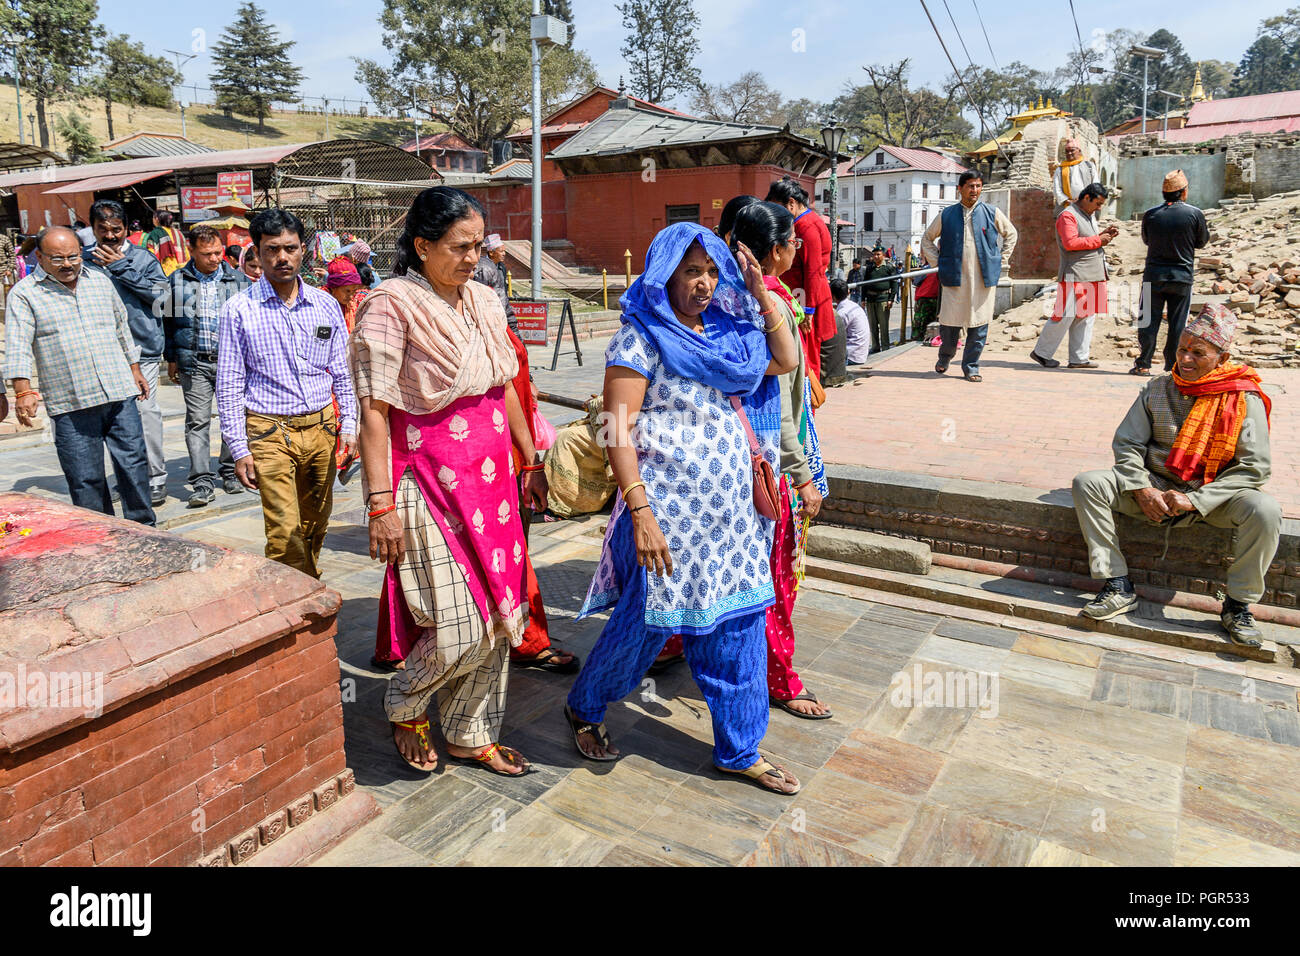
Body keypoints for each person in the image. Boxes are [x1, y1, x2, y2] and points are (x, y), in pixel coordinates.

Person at [563, 221, 804, 795]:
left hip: (732, 519)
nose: (702, 283)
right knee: (648, 625)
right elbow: (617, 429)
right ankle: (586, 706)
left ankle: (739, 748)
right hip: (668, 516)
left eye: (710, 271)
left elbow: (786, 358)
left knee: (741, 623)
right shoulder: (639, 337)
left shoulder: (728, 333)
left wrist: (759, 291)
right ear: (665, 274)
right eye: (691, 271)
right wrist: (640, 512)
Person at [350, 186, 541, 776]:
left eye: (478, 246)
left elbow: (502, 384)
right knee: (459, 624)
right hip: (427, 480)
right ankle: (406, 701)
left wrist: (530, 460)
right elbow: (374, 411)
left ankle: (468, 732)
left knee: (501, 616)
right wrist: (379, 504)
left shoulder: (483, 299)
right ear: (422, 244)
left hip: (491, 483)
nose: (472, 258)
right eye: (459, 247)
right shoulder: (390, 304)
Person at [1072, 305, 1277, 648]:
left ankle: (1238, 605)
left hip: (1212, 499)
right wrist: (1141, 488)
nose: (1185, 358)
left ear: (1221, 356)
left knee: (1265, 509)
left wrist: (1195, 500)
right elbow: (1127, 444)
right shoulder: (1157, 388)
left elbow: (1255, 467)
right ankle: (1117, 584)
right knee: (1088, 483)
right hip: (1154, 490)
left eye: (1198, 352)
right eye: (1182, 349)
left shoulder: (1243, 398)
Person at [729, 201, 830, 718]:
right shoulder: (768, 303)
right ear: (775, 250)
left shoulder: (728, 298)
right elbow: (780, 405)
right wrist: (803, 474)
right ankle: (778, 676)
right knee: (777, 576)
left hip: (740, 456)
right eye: (795, 242)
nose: (800, 249)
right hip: (770, 459)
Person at [216, 209, 357, 577]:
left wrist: (351, 426)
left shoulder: (326, 304)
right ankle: (301, 609)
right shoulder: (239, 310)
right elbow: (229, 383)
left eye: (290, 248)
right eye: (273, 249)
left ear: (303, 251)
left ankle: (301, 587)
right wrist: (239, 447)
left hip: (322, 429)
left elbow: (341, 371)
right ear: (258, 255)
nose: (282, 257)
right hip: (268, 432)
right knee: (283, 531)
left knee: (315, 522)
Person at [4, 226, 155, 525]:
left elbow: (120, 328)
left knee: (134, 465)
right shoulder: (24, 294)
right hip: (71, 401)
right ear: (39, 257)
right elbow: (18, 345)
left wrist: (134, 369)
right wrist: (23, 391)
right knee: (86, 479)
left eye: (73, 256)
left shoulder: (99, 281)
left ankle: (145, 529)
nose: (68, 264)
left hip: (119, 392)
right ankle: (100, 536)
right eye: (57, 258)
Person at [84, 199, 170, 507]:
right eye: (102, 230)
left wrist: (120, 267)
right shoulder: (83, 261)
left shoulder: (144, 260)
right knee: (114, 422)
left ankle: (156, 478)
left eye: (116, 230)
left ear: (126, 229)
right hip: (101, 354)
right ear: (92, 229)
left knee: (145, 415)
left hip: (142, 350)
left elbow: (163, 297)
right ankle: (128, 479)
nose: (109, 236)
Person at [164, 224, 252, 507]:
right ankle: (201, 480)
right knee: (197, 421)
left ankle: (229, 470)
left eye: (218, 252)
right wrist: (171, 358)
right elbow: (167, 323)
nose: (215, 259)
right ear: (191, 251)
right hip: (195, 364)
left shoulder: (239, 281)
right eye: (207, 254)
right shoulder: (176, 281)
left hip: (233, 364)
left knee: (233, 418)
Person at [921, 170, 1018, 382]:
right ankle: (945, 357)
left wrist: (1001, 259)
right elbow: (927, 239)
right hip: (954, 278)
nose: (975, 190)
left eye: (978, 186)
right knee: (949, 323)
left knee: (979, 324)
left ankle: (971, 366)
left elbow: (1011, 234)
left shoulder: (991, 212)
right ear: (960, 189)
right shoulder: (946, 215)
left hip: (983, 279)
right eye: (970, 186)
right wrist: (938, 262)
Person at [1030, 183, 1119, 371]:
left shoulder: (1088, 215)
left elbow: (1086, 239)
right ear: (1086, 198)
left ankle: (1079, 358)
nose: (1099, 208)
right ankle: (1042, 353)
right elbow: (1070, 243)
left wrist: (1103, 235)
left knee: (1085, 317)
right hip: (1075, 274)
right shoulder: (1068, 215)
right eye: (1098, 203)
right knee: (1064, 315)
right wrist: (1098, 239)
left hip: (1092, 273)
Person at [1133, 169, 1209, 377]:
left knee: (1147, 320)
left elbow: (1147, 240)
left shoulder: (1151, 214)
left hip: (1154, 276)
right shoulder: (1195, 214)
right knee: (1177, 323)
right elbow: (1201, 242)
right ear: (1183, 192)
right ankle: (1171, 366)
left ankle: (1143, 363)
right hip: (1181, 277)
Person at [766, 177, 833, 382]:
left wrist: (807, 310)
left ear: (791, 203)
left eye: (779, 209)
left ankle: (808, 409)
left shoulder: (806, 226)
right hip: (803, 296)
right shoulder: (808, 221)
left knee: (808, 360)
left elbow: (812, 271)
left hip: (805, 298)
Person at [472, 233, 517, 335]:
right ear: (491, 253)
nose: (504, 254)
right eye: (501, 251)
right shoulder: (482, 268)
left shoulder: (501, 267)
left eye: (504, 251)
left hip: (501, 308)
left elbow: (502, 290)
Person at [862, 245, 899, 354]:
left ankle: (885, 347)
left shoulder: (889, 267)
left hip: (883, 299)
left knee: (883, 326)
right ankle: (875, 347)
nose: (876, 256)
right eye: (874, 254)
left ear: (883, 255)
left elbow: (894, 283)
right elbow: (864, 284)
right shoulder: (869, 268)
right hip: (870, 299)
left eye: (878, 254)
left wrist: (891, 299)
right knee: (872, 326)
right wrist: (863, 298)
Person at [1049, 138, 1100, 208]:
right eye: (1067, 151)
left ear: (1079, 151)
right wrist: (1068, 201)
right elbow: (1056, 188)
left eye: (1072, 150)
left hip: (1086, 205)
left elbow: (1095, 185)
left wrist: (1084, 200)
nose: (1069, 153)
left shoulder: (1089, 166)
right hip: (1067, 206)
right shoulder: (1060, 169)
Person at [832, 276, 872, 364]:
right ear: (848, 292)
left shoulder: (843, 313)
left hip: (852, 356)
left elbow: (833, 336)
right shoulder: (853, 306)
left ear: (833, 296)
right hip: (860, 353)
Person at [145, 210, 189, 276]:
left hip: (164, 272)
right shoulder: (178, 233)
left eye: (153, 218)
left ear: (156, 219)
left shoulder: (155, 233)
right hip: (180, 270)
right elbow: (186, 253)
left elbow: (151, 254)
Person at [912, 269, 941, 341]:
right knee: (929, 320)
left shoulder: (928, 269)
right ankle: (925, 338)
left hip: (925, 298)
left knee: (920, 322)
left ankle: (919, 338)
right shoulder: (935, 268)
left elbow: (916, 282)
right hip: (932, 298)